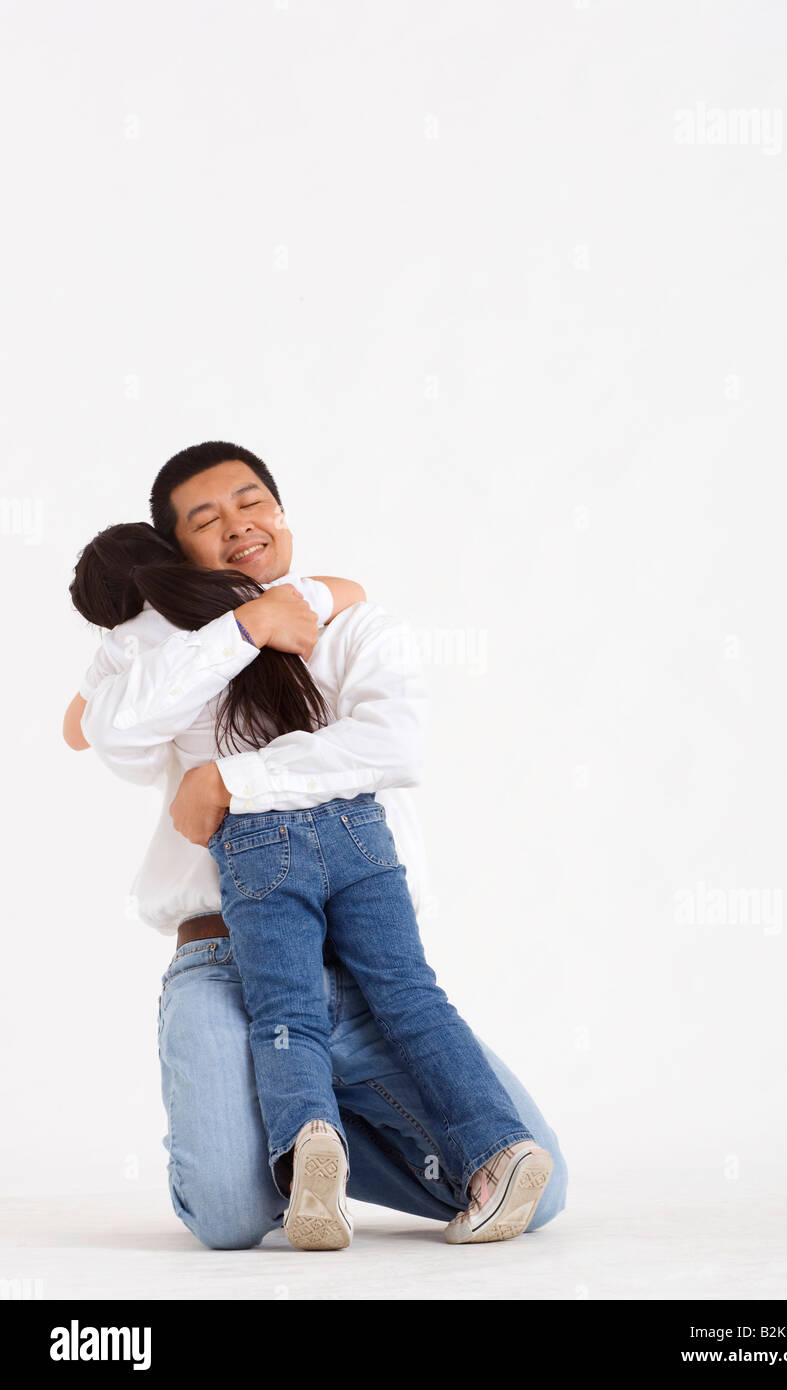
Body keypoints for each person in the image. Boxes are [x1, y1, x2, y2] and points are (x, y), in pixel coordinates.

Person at [66, 440, 568, 1251]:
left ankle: (312, 1141)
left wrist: (231, 780)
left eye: (251, 501)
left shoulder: (357, 624)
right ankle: (301, 1136)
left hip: (361, 968)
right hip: (225, 963)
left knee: (542, 1197)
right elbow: (107, 734)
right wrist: (241, 626)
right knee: (228, 1219)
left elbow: (392, 744)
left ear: (281, 512)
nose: (237, 525)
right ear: (175, 551)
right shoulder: (166, 649)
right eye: (206, 519)